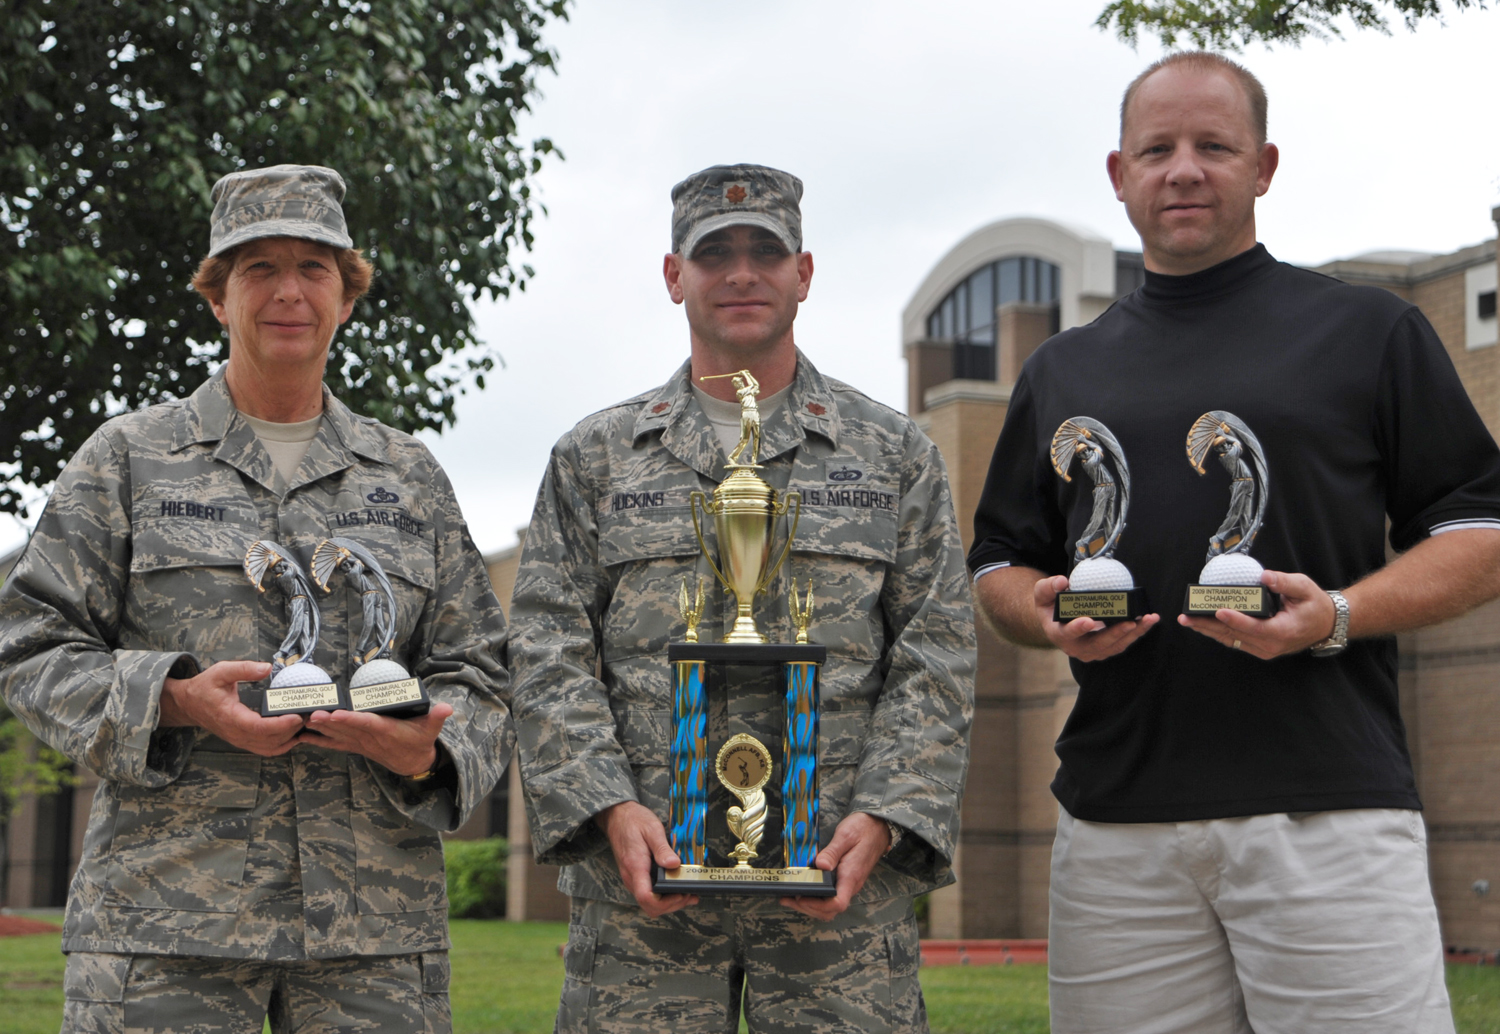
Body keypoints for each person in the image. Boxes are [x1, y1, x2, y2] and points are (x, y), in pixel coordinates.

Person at [969, 52, 1500, 1034]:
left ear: (1265, 165)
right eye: (1156, 148)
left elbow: (1480, 530)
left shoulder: (1366, 330)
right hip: (1116, 821)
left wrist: (1339, 614)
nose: (1183, 169)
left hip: (1327, 811)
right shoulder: (1059, 369)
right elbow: (1001, 558)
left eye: (1214, 145)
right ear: (1117, 172)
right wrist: (1041, 615)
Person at [0, 164, 512, 1034]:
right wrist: (171, 699)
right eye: (257, 268)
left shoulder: (408, 476)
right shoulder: (127, 459)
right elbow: (28, 644)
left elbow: (483, 670)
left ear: (346, 297)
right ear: (216, 297)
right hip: (166, 925)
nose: (288, 292)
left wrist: (428, 753)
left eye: (314, 268)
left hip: (374, 935)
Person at [509, 163, 975, 1033]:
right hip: (646, 887)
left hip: (839, 882)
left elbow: (936, 649)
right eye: (714, 252)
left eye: (766, 250)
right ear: (673, 275)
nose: (741, 272)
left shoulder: (891, 454)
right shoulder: (598, 457)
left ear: (804, 273)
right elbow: (546, 648)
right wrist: (607, 805)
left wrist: (885, 815)